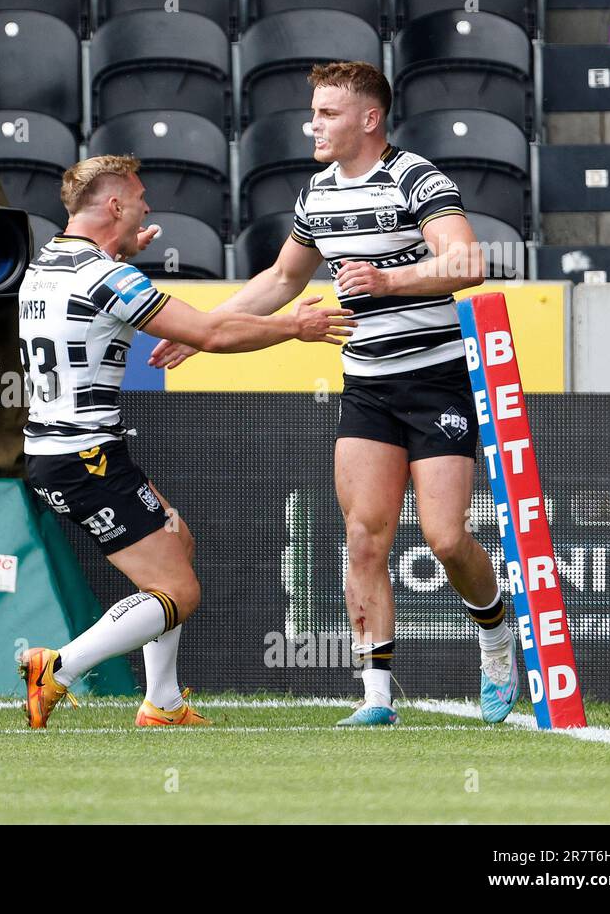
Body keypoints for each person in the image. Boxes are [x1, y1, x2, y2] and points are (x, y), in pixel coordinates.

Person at [151, 61, 516, 727]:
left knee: (444, 538)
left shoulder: (417, 177)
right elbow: (283, 278)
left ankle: (494, 637)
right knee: (364, 538)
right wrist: (201, 332)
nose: (311, 124)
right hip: (367, 388)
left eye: (327, 113)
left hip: (435, 380)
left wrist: (387, 283)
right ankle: (377, 698)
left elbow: (468, 262)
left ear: (368, 120)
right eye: (313, 112)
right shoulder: (316, 192)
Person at [17, 155, 355, 728]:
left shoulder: (47, 262)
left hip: (62, 451)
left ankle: (163, 702)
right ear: (115, 204)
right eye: (140, 197)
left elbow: (89, 306)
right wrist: (295, 328)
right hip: (85, 458)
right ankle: (60, 667)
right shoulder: (105, 276)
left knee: (180, 543)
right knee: (177, 590)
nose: (148, 207)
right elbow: (209, 333)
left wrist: (119, 251)